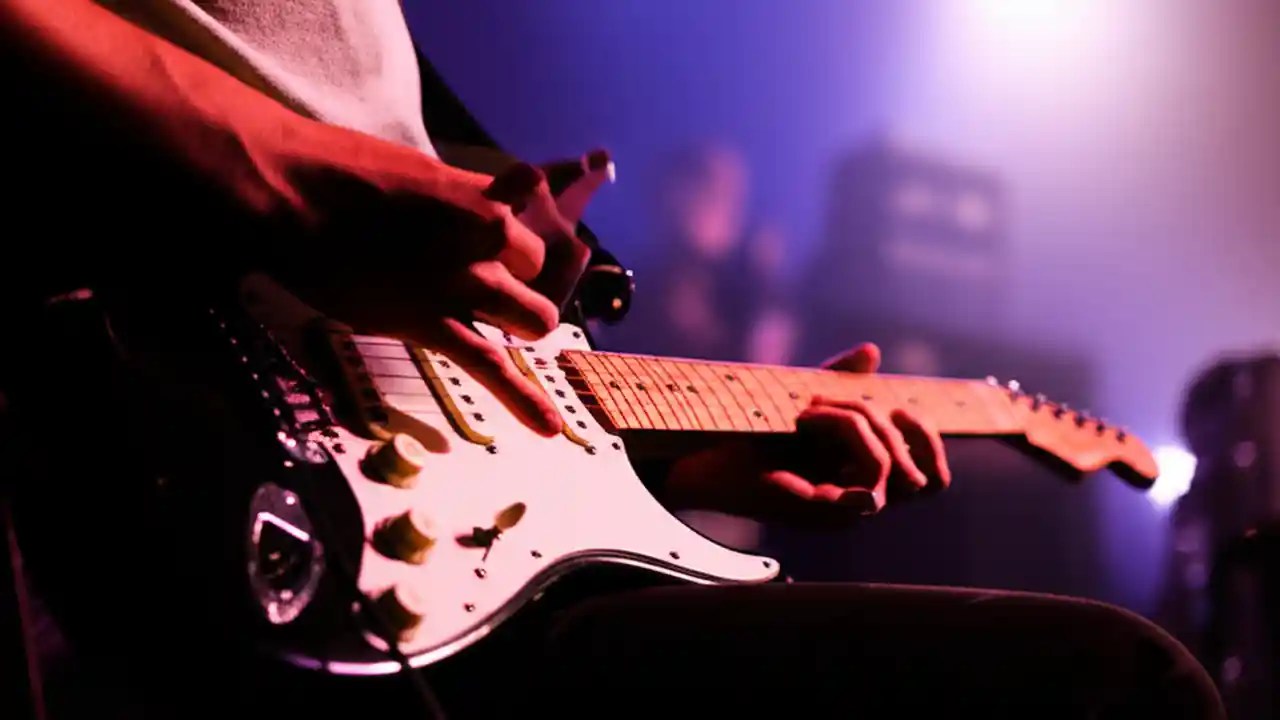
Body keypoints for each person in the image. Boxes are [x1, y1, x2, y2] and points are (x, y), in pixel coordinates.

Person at [0, 1, 1225, 718]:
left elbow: (437, 353)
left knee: (1107, 678)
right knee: (1114, 687)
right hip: (125, 396)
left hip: (443, 558)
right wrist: (278, 167)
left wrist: (675, 459)